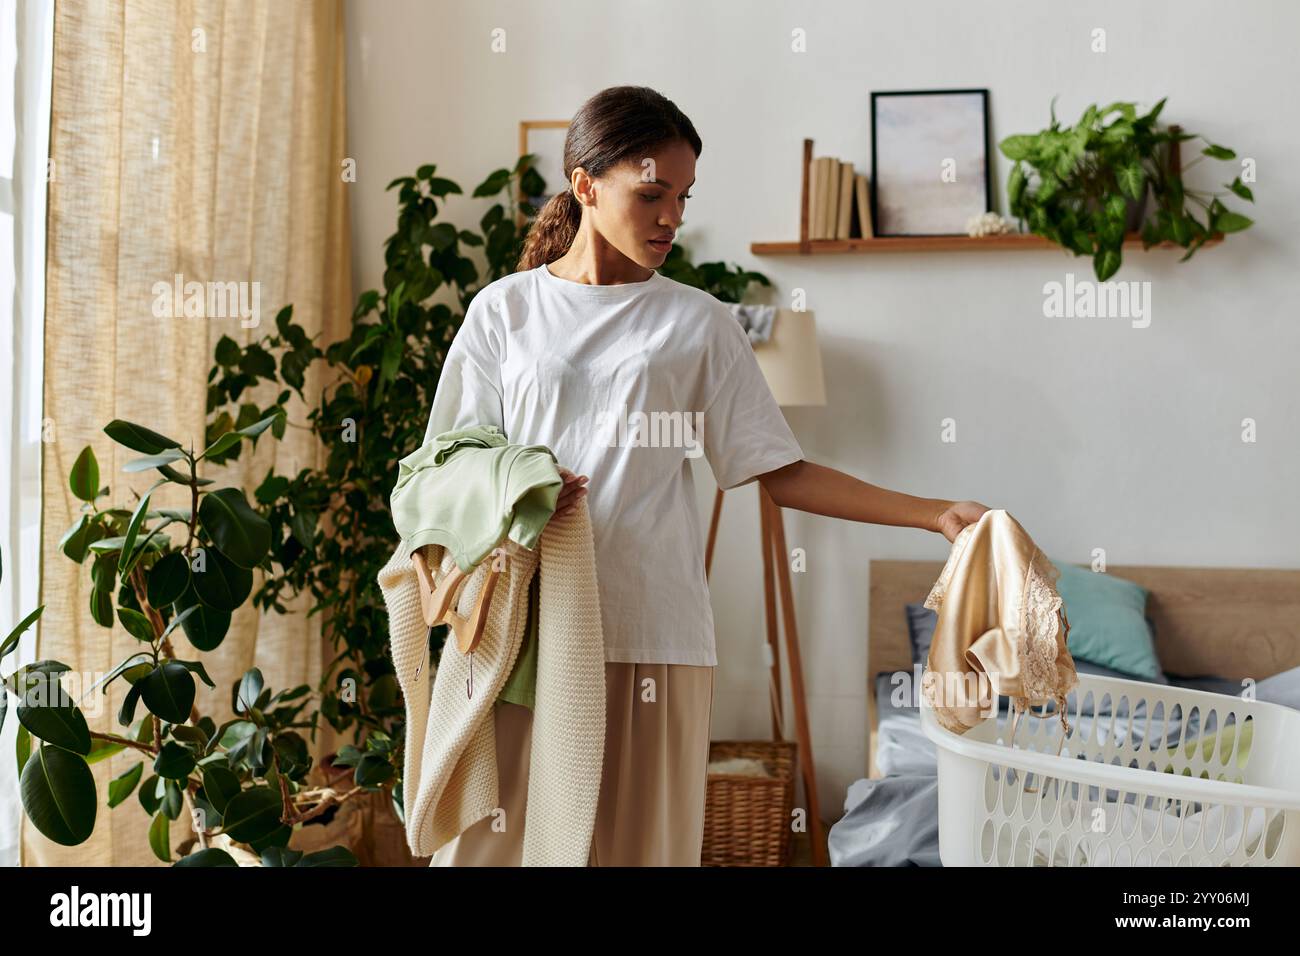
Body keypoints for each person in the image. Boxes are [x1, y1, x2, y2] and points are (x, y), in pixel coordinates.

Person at [424, 85, 989, 866]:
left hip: (651, 633)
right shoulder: (503, 313)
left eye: (683, 198)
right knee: (495, 852)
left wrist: (933, 515)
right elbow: (444, 466)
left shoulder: (698, 322)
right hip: (526, 629)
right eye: (652, 194)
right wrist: (523, 480)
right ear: (586, 186)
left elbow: (779, 470)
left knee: (637, 852)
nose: (671, 218)